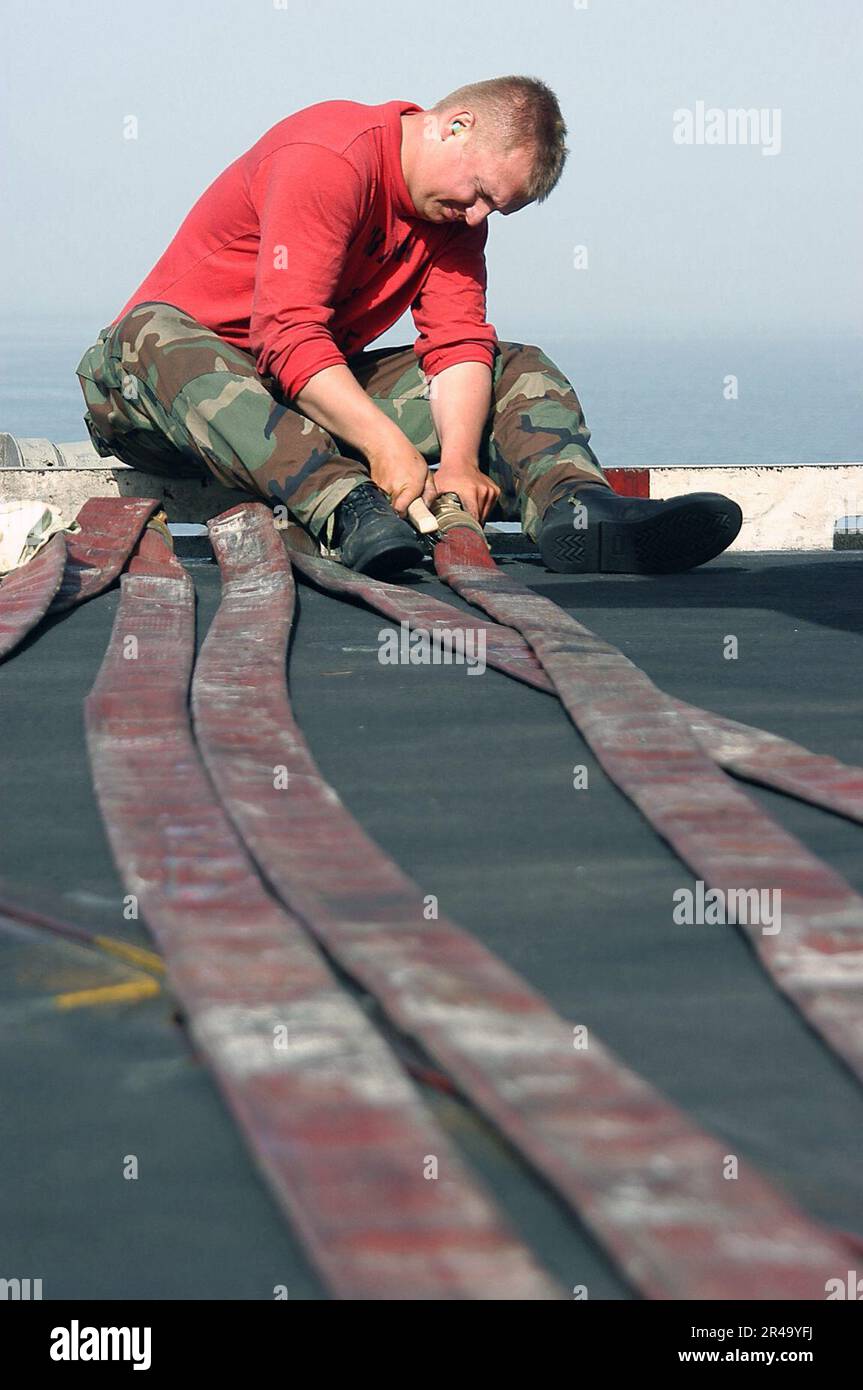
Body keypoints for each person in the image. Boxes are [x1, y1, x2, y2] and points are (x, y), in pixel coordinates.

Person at [76, 75, 742, 578]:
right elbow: (283, 334)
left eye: (495, 209)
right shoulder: (330, 156)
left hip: (295, 400)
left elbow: (455, 345)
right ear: (452, 125)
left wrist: (454, 463)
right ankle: (347, 509)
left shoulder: (451, 218)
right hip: (163, 395)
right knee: (154, 331)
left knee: (511, 366)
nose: (477, 217)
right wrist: (386, 444)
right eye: (479, 192)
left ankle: (574, 508)